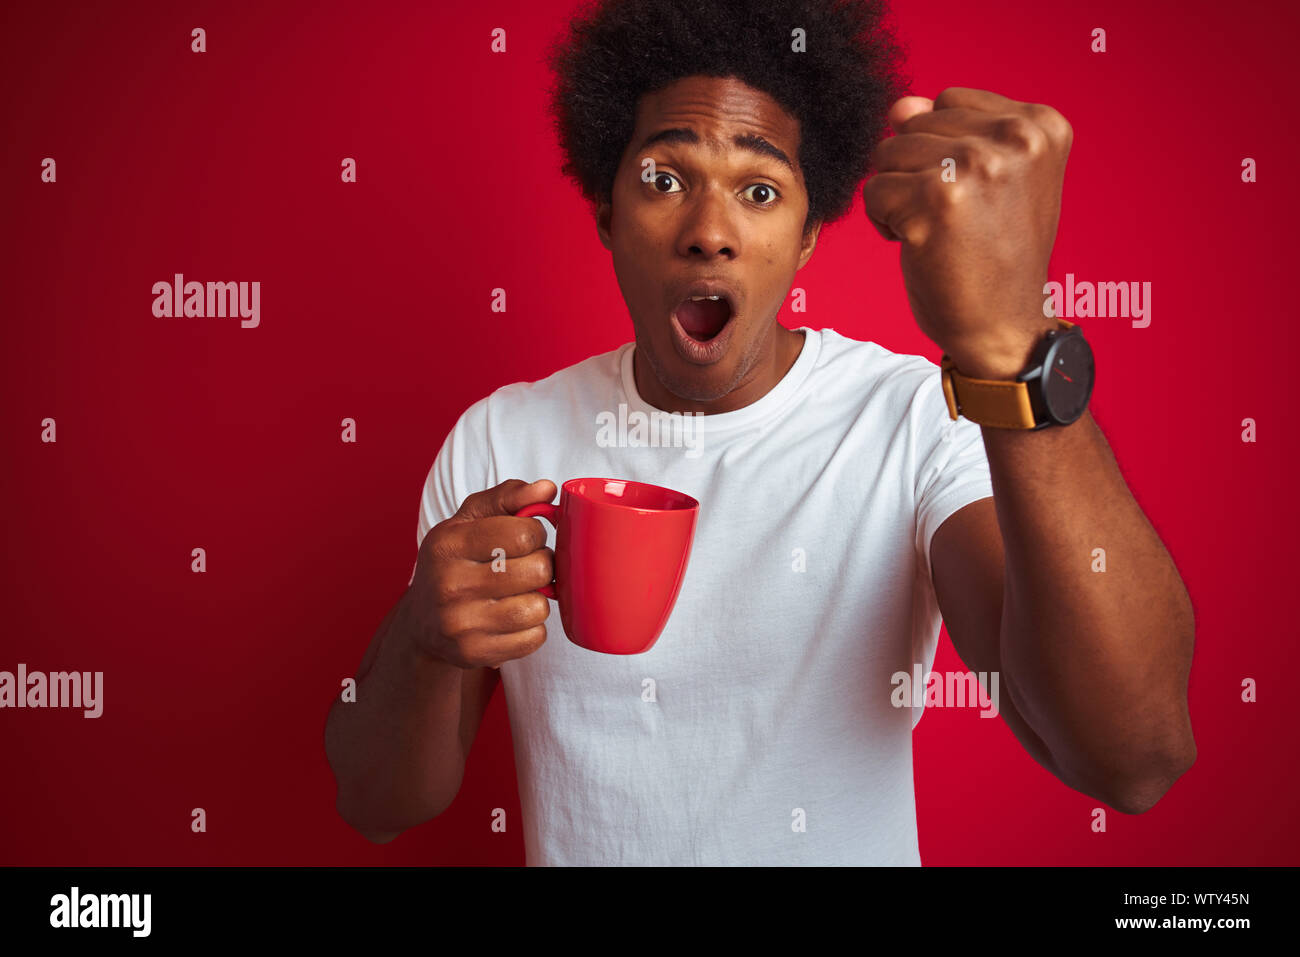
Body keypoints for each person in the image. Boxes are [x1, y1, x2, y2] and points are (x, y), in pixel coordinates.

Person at [324, 0, 1196, 865]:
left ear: (809, 235)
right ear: (606, 213)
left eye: (760, 189)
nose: (710, 233)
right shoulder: (498, 441)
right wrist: (420, 638)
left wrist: (1014, 347)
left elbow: (1134, 758)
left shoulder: (914, 418)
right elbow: (378, 804)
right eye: (665, 179)